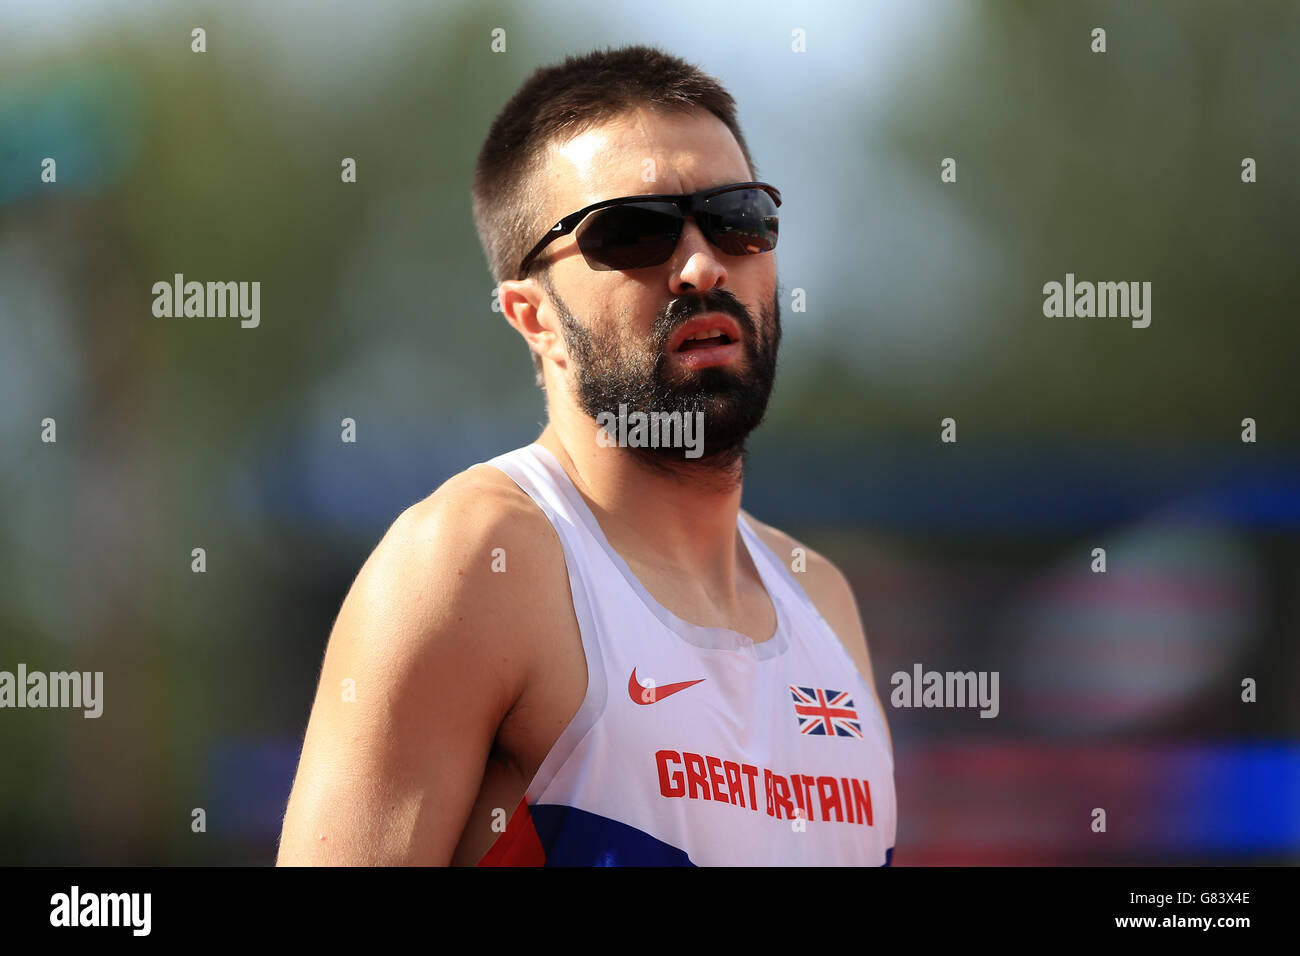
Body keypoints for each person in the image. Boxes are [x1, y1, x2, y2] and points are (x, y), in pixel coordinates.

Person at [277, 44, 895, 866]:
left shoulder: (824, 602)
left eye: (738, 216)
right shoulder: (470, 564)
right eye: (634, 232)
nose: (703, 264)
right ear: (531, 316)